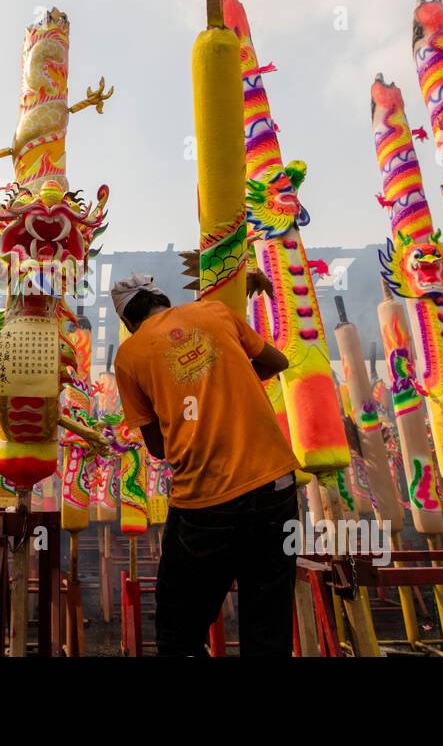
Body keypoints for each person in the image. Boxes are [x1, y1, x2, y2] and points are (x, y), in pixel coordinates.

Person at [110, 272, 299, 656]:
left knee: (179, 627)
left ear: (128, 322)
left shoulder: (129, 356)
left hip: (206, 499)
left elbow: (158, 448)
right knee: (269, 618)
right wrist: (236, 376)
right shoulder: (215, 312)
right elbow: (277, 360)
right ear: (163, 297)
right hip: (276, 484)